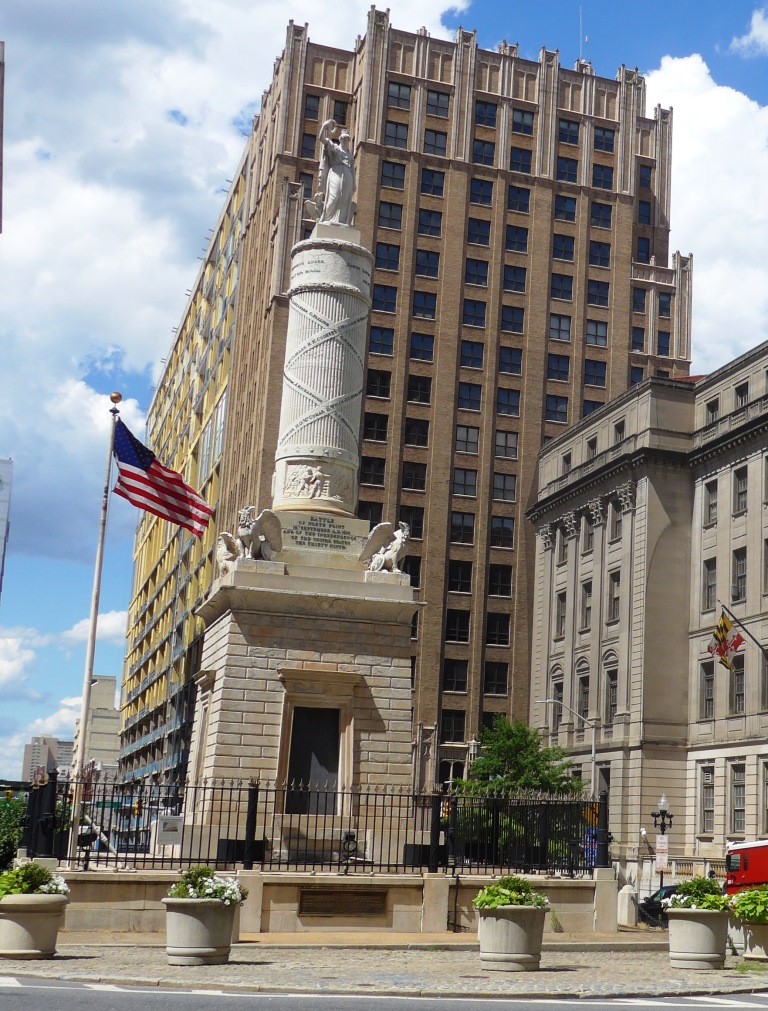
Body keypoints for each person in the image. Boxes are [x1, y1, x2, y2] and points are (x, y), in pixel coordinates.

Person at [316, 119, 355, 225]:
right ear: (340, 139)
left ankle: (340, 221)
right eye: (344, 139)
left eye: (347, 139)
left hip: (348, 176)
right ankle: (327, 219)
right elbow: (322, 138)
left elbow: (353, 171)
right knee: (334, 196)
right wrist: (324, 126)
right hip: (335, 172)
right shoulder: (335, 148)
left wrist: (354, 185)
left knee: (345, 198)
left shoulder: (350, 155)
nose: (346, 141)